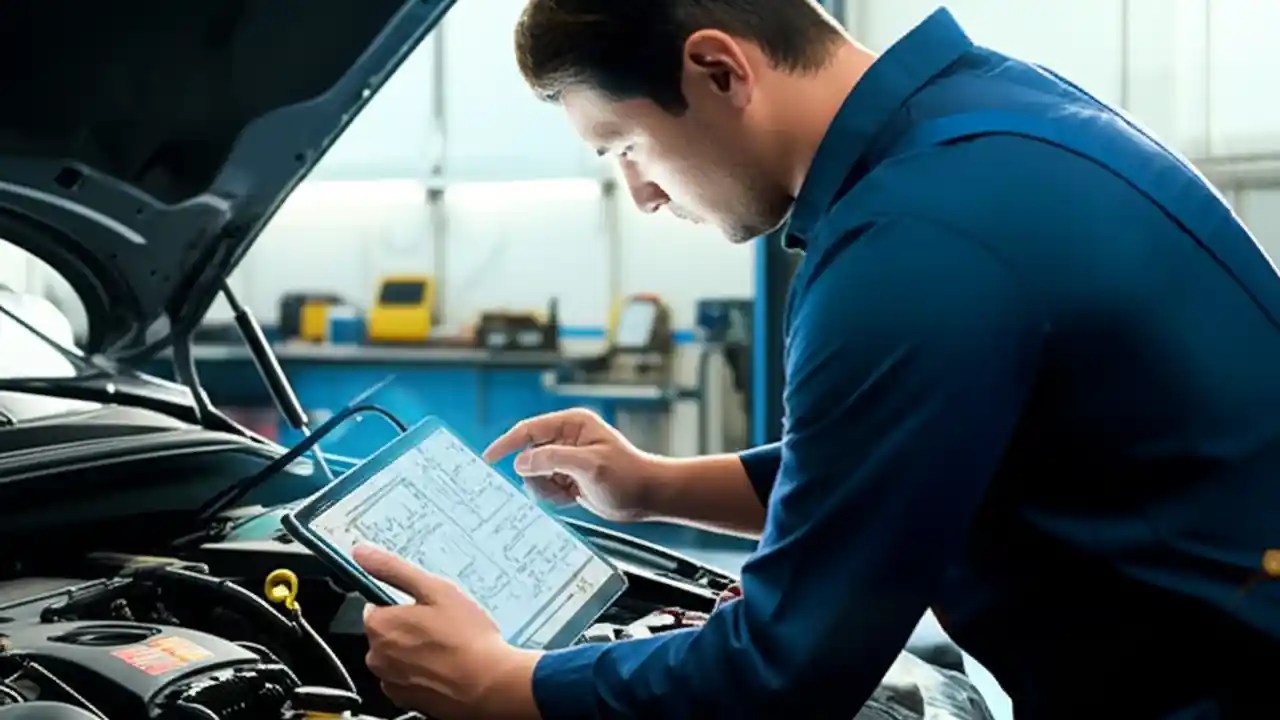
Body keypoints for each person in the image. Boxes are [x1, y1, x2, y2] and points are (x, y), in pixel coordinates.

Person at [354, 2, 1280, 718]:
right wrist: (655, 488)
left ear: (719, 69)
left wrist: (502, 685)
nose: (637, 193)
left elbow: (781, 674)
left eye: (626, 146)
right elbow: (903, 454)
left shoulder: (911, 246)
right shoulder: (988, 116)